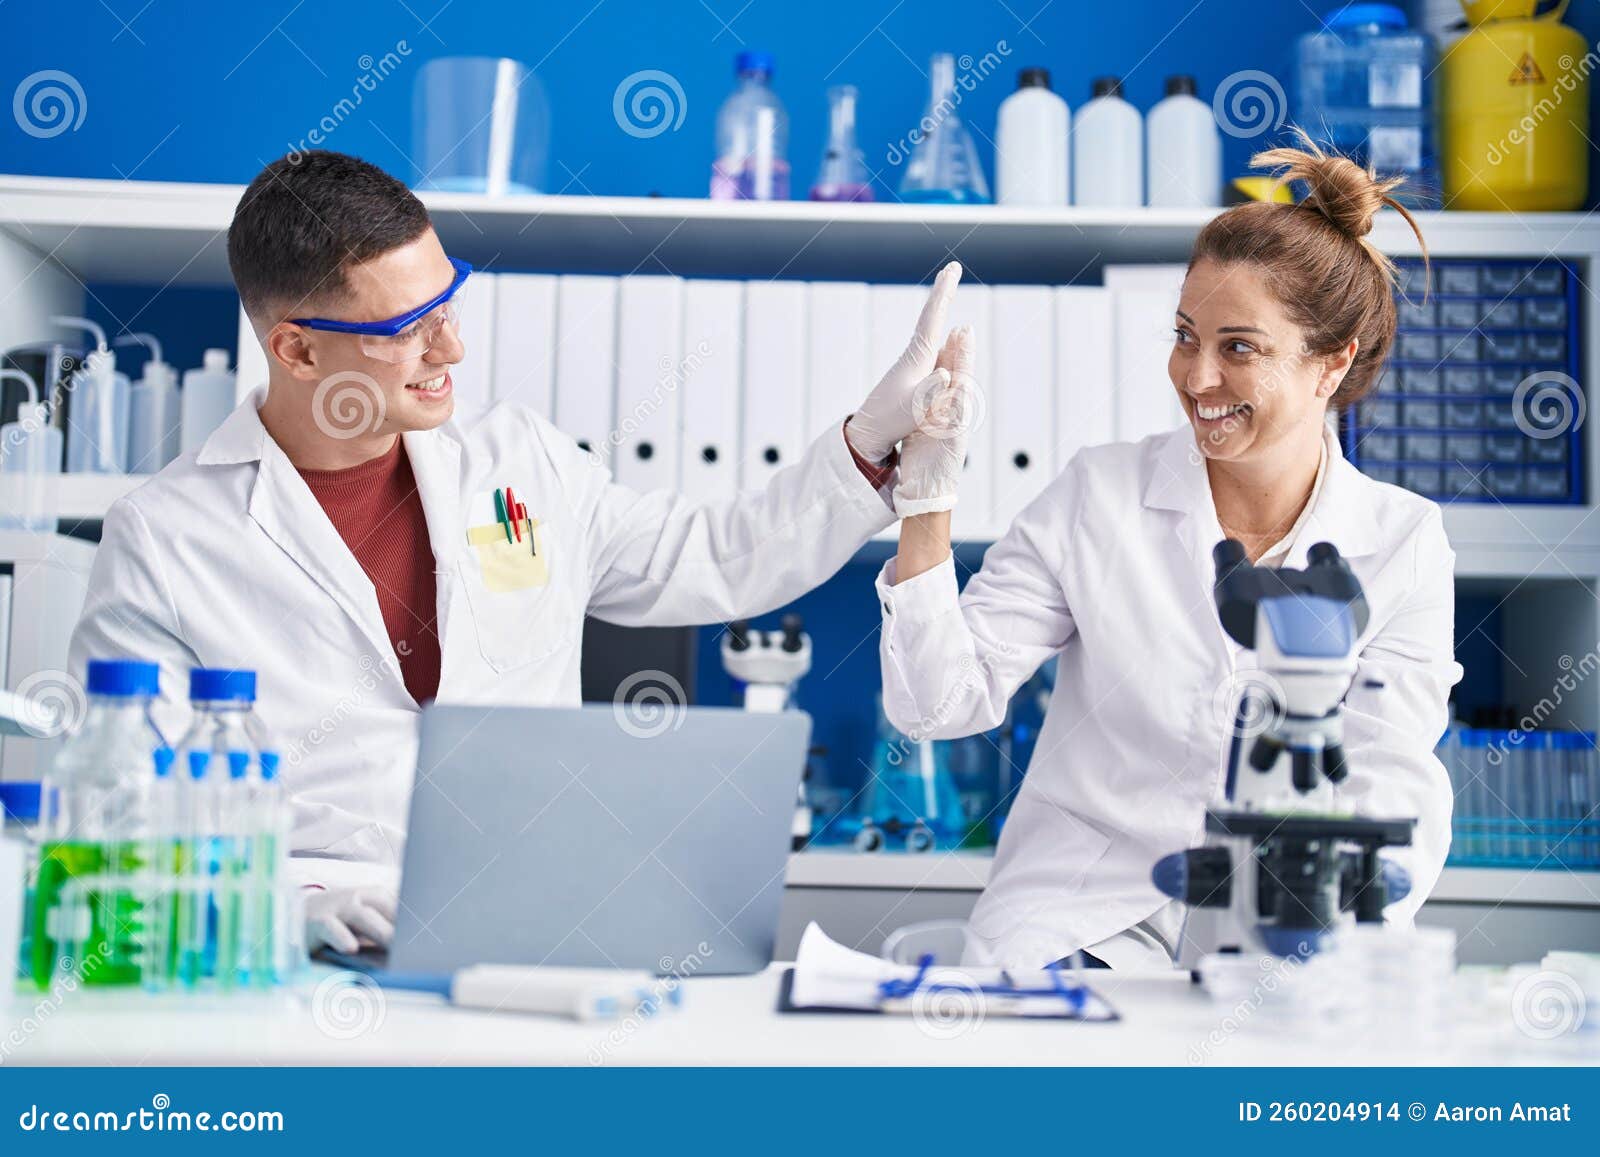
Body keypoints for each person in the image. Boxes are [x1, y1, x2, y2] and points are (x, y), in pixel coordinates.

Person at [69, 150, 963, 951]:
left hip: (533, 923)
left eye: (449, 301)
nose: (450, 346)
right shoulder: (166, 534)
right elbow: (120, 812)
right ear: (296, 349)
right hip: (298, 950)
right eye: (407, 328)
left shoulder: (517, 461)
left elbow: (717, 558)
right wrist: (275, 910)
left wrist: (863, 444)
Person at [876, 136, 1463, 969]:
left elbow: (1389, 772)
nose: (1197, 377)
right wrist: (925, 500)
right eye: (1187, 336)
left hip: (1286, 924)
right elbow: (935, 706)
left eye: (1239, 347)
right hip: (1078, 918)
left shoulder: (1401, 542)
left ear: (1331, 365)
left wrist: (1343, 911)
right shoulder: (1099, 495)